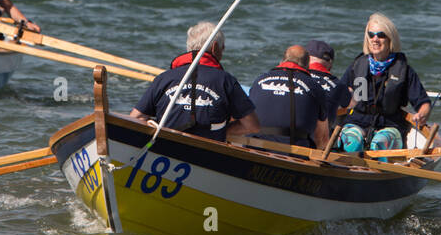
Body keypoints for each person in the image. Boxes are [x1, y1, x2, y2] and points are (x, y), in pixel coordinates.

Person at [129, 22, 260, 142]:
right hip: (208, 151)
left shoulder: (164, 78)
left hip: (165, 145)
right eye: (223, 48)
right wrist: (223, 132)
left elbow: (136, 117)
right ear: (215, 48)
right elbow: (252, 126)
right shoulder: (226, 81)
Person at [334, 14, 433, 153]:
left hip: (389, 124)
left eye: (381, 35)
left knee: (379, 145)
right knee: (352, 143)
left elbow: (424, 103)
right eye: (371, 35)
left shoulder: (404, 70)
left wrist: (422, 114)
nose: (375, 39)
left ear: (390, 39)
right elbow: (339, 93)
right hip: (358, 121)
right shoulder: (357, 65)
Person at [248, 45, 331, 148]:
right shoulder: (315, 87)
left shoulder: (259, 80)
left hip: (254, 146)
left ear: (282, 61)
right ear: (307, 66)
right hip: (292, 151)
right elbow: (322, 138)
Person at [304, 39, 342, 122]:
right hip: (319, 130)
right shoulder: (337, 84)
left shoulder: (293, 76)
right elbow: (352, 103)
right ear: (330, 63)